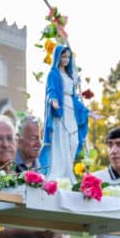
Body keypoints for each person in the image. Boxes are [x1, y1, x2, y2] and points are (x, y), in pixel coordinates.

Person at [40, 46, 88, 179]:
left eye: (68, 57)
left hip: (71, 108)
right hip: (60, 110)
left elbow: (74, 97)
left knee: (74, 141)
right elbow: (51, 90)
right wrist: (53, 100)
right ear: (58, 57)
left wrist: (87, 112)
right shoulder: (53, 74)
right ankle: (62, 174)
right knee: (62, 141)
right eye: (63, 56)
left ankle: (68, 171)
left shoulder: (69, 75)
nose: (66, 59)